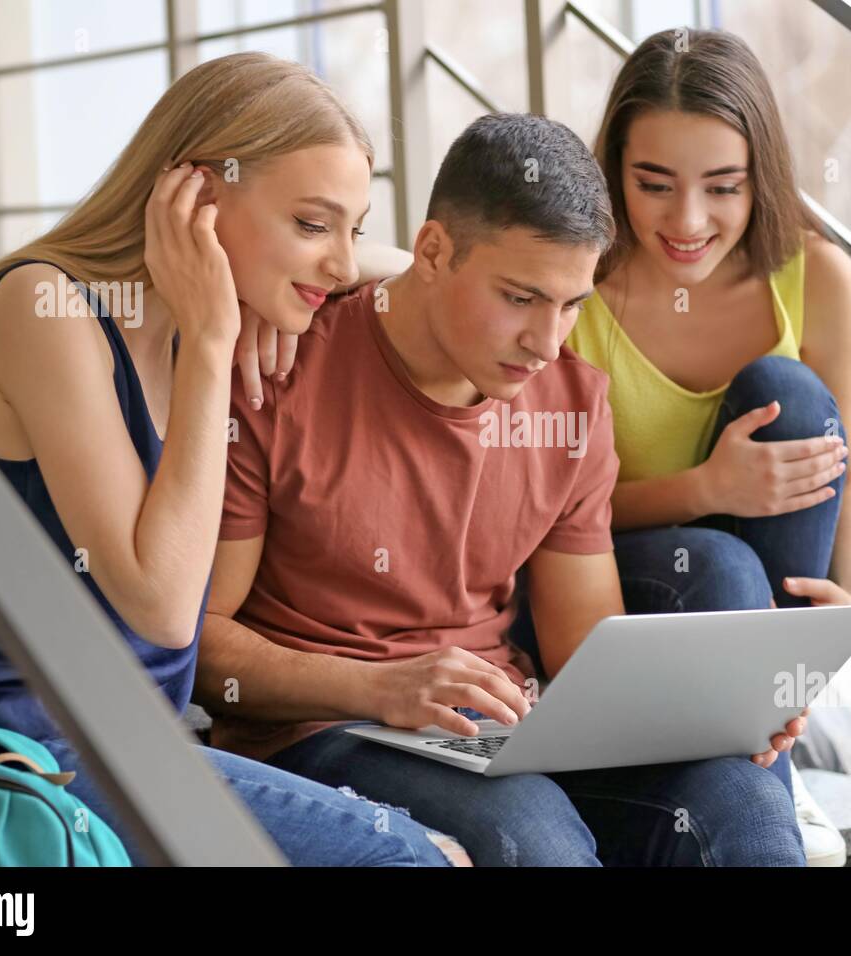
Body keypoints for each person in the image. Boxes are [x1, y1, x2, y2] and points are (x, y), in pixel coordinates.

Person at [0, 52, 466, 867]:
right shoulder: (44, 308)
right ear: (195, 198)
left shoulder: (190, 316)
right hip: (6, 743)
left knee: (440, 850)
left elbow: (410, 275)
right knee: (406, 858)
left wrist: (283, 285)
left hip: (123, 744)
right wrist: (218, 340)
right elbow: (158, 604)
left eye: (353, 226)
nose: (340, 263)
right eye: (310, 223)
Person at [197, 112, 809, 867]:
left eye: (573, 304)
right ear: (432, 252)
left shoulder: (573, 404)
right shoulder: (279, 374)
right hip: (325, 734)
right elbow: (203, 645)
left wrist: (722, 714)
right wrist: (379, 687)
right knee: (535, 834)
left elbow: (585, 650)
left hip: (497, 731)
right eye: (520, 298)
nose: (547, 342)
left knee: (746, 810)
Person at [551, 28, 851, 866]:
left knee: (798, 397)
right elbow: (543, 510)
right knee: (718, 565)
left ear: (758, 178)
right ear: (612, 170)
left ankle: (764, 746)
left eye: (722, 188)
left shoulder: (815, 276)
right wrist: (705, 487)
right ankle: (771, 775)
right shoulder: (575, 284)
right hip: (605, 573)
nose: (688, 221)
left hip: (761, 579)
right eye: (652, 185)